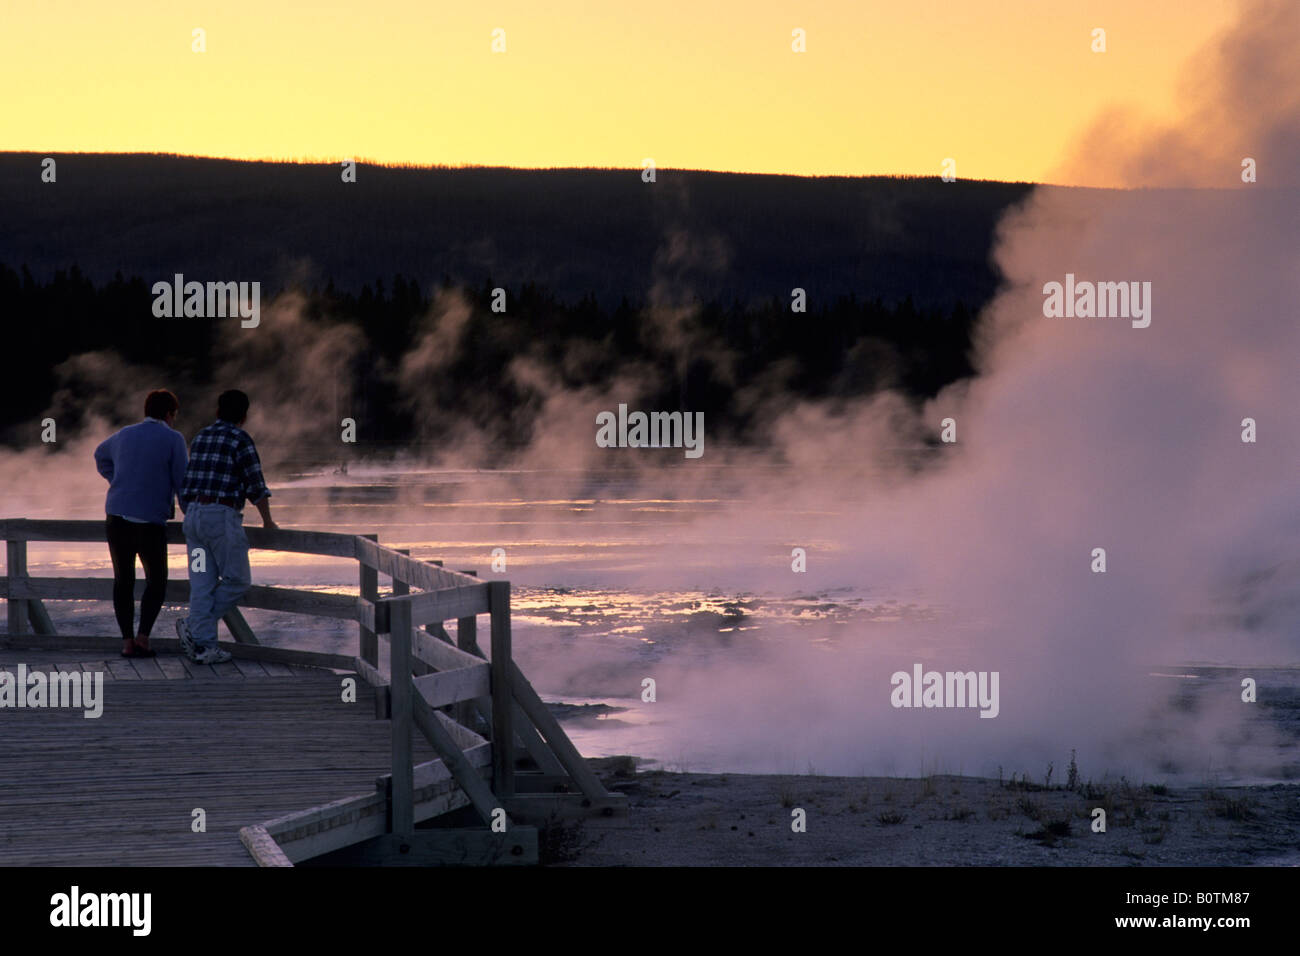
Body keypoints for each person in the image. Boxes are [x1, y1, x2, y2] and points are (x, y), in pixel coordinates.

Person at [176, 390, 278, 665]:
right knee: (237, 580)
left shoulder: (201, 437)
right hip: (220, 518)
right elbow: (255, 484)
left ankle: (204, 647)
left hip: (194, 518)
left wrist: (192, 511)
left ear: (218, 411)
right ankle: (197, 629)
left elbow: (187, 480)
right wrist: (268, 521)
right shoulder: (240, 439)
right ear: (244, 416)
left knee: (201, 585)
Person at [93, 389, 189, 658]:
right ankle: (143, 637)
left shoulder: (124, 434)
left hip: (117, 516)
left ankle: (126, 642)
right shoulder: (173, 438)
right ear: (170, 414)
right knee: (156, 581)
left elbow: (100, 455)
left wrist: (117, 480)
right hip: (149, 520)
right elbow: (182, 481)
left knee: (123, 580)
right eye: (174, 415)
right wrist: (189, 513)